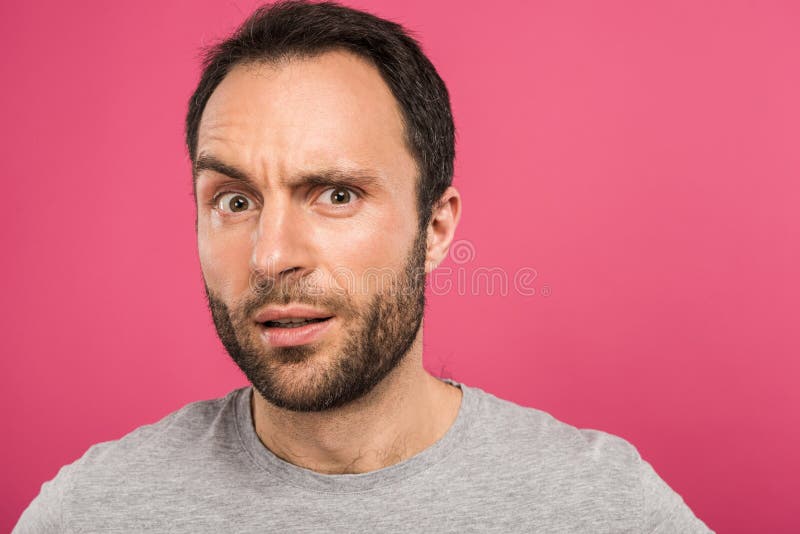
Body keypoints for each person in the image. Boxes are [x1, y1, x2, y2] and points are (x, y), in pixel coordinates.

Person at [14, 1, 713, 532]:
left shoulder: (597, 505)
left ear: (435, 228)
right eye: (233, 200)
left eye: (337, 195)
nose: (272, 255)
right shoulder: (95, 511)